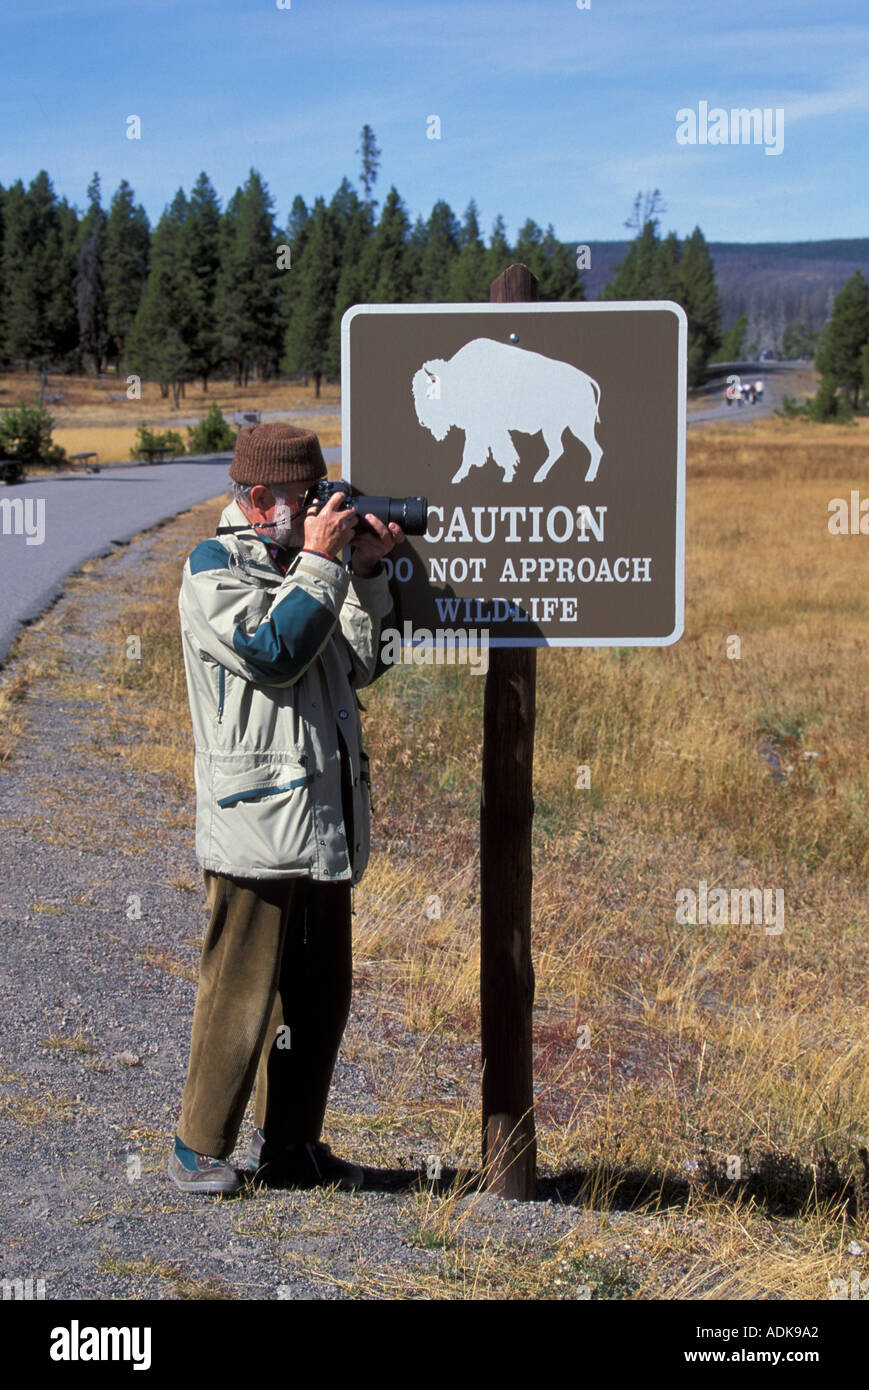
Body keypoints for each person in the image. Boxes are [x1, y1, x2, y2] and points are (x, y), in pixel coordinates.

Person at [167, 423, 403, 1195]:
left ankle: (292, 1146)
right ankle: (197, 1149)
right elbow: (275, 650)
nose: (321, 510)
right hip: (257, 817)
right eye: (308, 499)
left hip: (325, 818)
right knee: (240, 990)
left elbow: (363, 663)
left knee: (318, 994)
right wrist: (322, 561)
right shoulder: (214, 569)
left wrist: (364, 573)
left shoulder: (304, 562)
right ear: (260, 498)